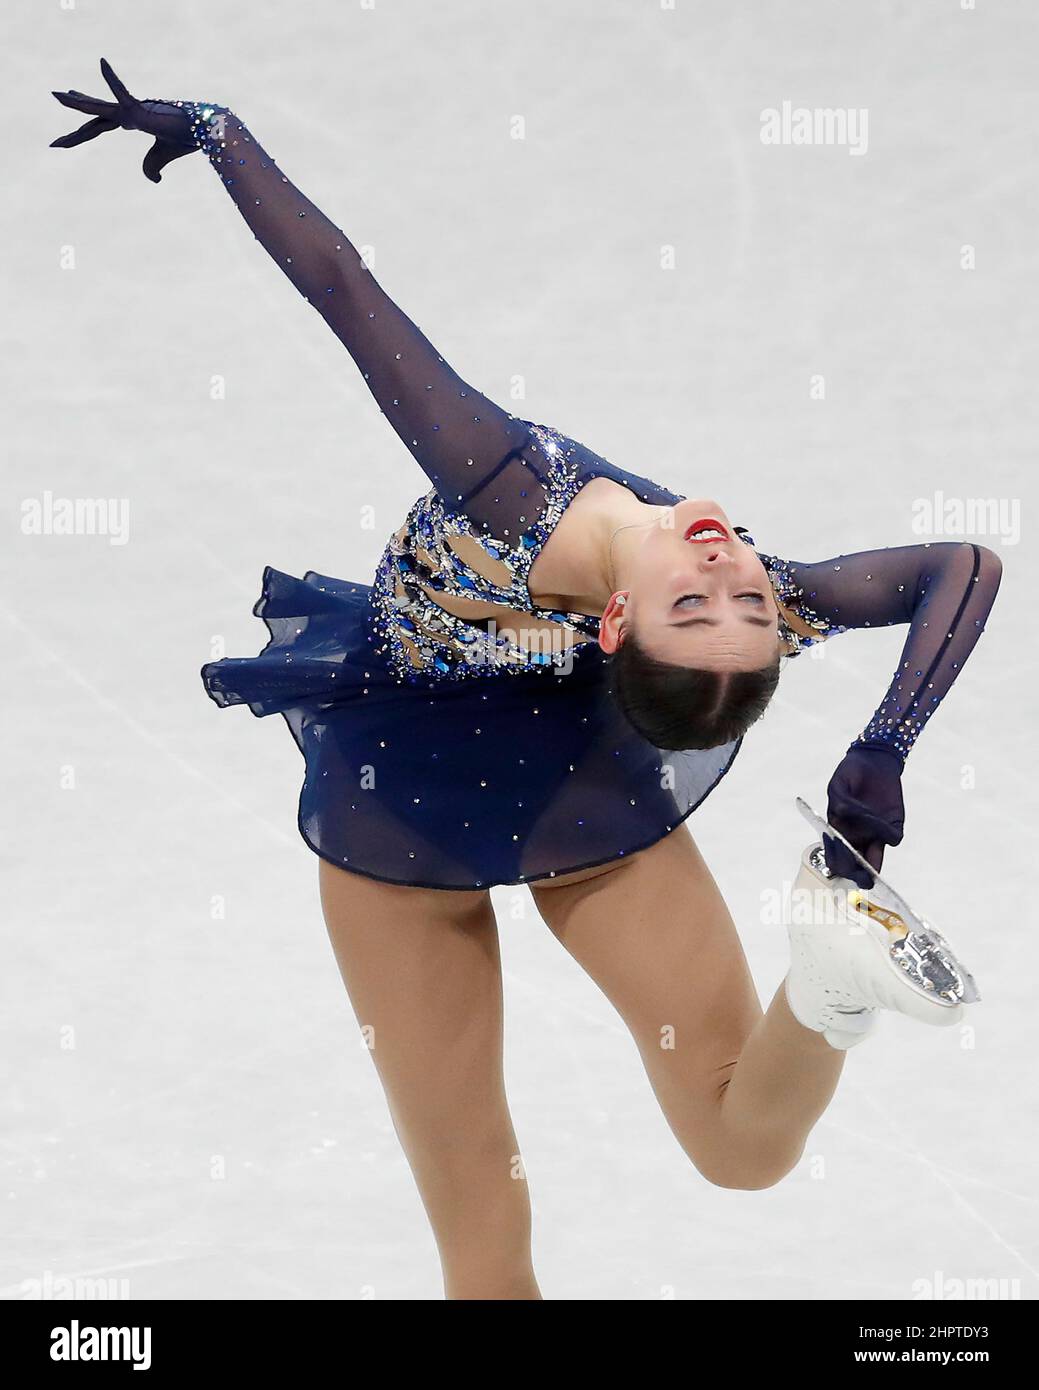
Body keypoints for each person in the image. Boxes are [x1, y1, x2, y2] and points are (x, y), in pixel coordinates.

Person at [52, 61, 1003, 1300]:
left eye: (718, 601)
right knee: (488, 1236)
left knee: (740, 1151)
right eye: (736, 594)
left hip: (533, 786)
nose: (728, 567)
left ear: (617, 630)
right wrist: (881, 747)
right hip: (410, 806)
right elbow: (963, 564)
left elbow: (967, 568)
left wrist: (219, 134)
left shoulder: (584, 532)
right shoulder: (613, 530)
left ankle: (824, 987)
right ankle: (814, 1002)